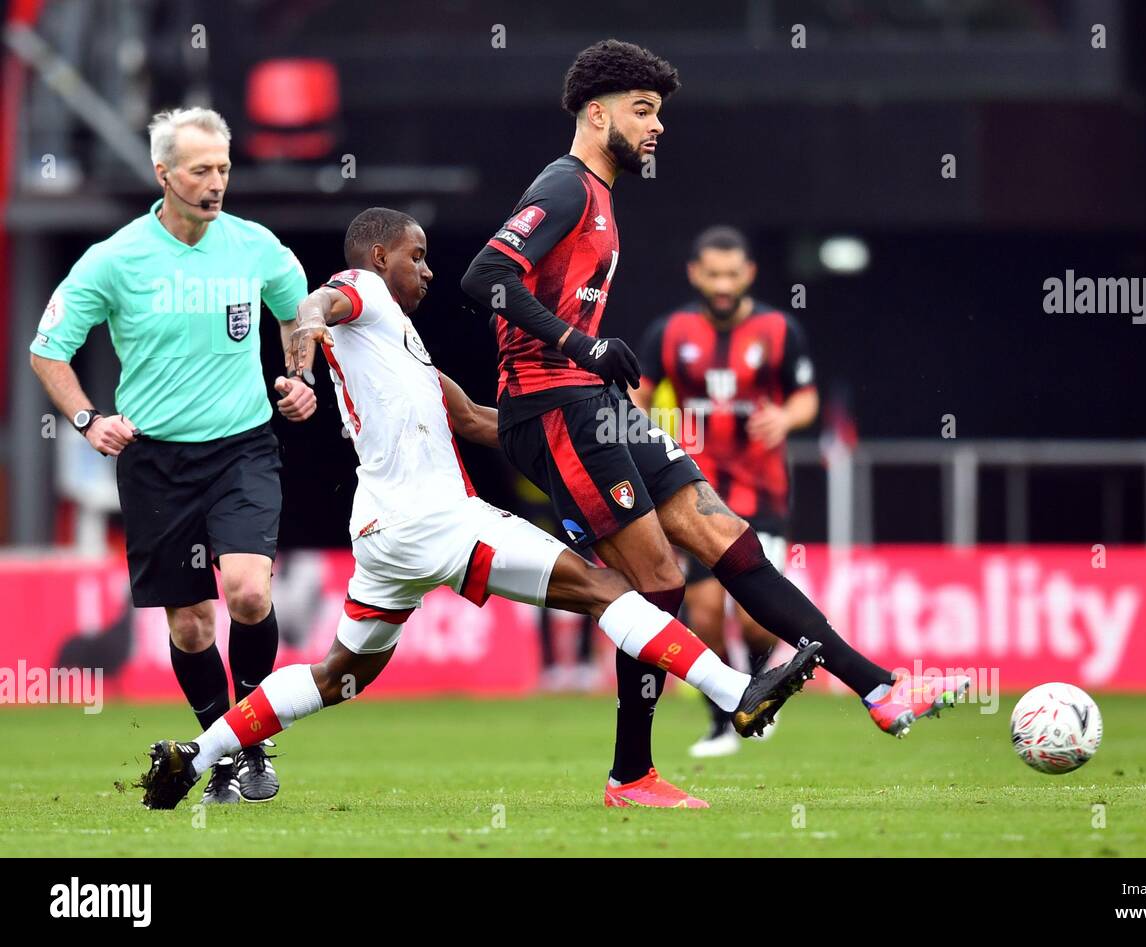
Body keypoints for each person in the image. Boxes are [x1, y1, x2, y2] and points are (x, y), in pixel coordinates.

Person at [138, 208, 822, 811]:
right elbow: (330, 297)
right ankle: (735, 691)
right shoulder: (366, 291)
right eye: (417, 255)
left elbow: (474, 419)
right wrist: (308, 318)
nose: (429, 271)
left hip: (383, 533)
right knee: (608, 588)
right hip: (439, 521)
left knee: (340, 674)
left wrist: (578, 424)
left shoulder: (401, 347)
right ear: (381, 257)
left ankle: (194, 756)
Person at [460, 40, 969, 808]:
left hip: (597, 405)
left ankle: (876, 687)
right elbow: (483, 277)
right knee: (658, 582)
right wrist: (583, 344)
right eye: (643, 110)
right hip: (554, 407)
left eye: (659, 112)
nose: (657, 126)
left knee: (730, 542)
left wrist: (592, 359)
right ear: (596, 114)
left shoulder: (598, 194)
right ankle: (633, 773)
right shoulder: (564, 186)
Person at [30, 107, 315, 805]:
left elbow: (297, 307)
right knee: (191, 622)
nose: (216, 182)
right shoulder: (116, 258)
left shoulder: (252, 245)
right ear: (164, 174)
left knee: (248, 591)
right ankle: (216, 744)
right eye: (200, 170)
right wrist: (88, 418)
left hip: (242, 447)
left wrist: (299, 375)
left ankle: (249, 742)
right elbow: (48, 349)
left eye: (223, 168)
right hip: (156, 461)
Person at [632, 225, 819, 757]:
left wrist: (783, 416)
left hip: (763, 491)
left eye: (731, 274)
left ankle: (763, 686)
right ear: (695, 273)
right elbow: (636, 395)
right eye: (712, 273)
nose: (721, 283)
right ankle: (721, 719)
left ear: (748, 275)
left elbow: (807, 399)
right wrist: (640, 441)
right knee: (706, 610)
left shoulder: (780, 331)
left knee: (756, 616)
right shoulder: (668, 333)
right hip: (695, 490)